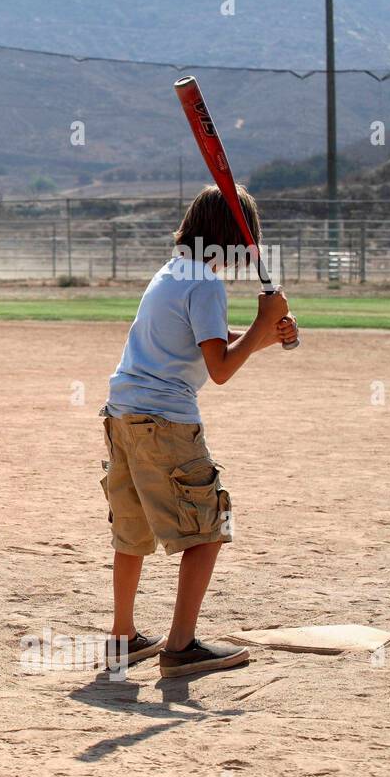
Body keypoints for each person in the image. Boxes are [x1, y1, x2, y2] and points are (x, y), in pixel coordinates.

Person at [99, 184, 297, 678]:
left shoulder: (172, 274)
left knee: (132, 530)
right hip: (165, 421)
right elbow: (221, 368)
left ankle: (123, 637)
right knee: (209, 530)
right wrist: (262, 320)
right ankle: (181, 646)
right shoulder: (205, 284)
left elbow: (208, 341)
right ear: (233, 239)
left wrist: (266, 335)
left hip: (123, 414)